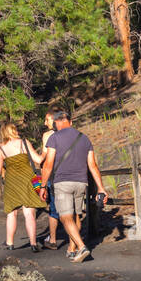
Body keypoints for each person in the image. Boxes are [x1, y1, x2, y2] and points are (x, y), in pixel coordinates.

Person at [38, 110, 108, 263]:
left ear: (56, 122)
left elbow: (48, 164)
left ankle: (82, 247)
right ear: (70, 121)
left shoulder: (54, 138)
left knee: (65, 217)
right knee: (75, 215)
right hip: (81, 183)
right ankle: (72, 249)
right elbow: (93, 165)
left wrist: (43, 186)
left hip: (62, 183)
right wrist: (101, 188)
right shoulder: (84, 139)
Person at [0, 122, 47, 251]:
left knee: (11, 213)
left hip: (12, 182)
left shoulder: (1, 149)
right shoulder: (24, 143)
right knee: (29, 212)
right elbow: (39, 160)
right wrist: (47, 150)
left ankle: (9, 243)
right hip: (27, 180)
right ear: (13, 131)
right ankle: (33, 243)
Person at [38, 112, 63, 250]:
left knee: (53, 207)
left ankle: (53, 239)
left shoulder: (47, 136)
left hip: (52, 174)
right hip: (69, 173)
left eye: (46, 119)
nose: (44, 123)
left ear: (53, 120)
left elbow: (44, 157)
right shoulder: (69, 133)